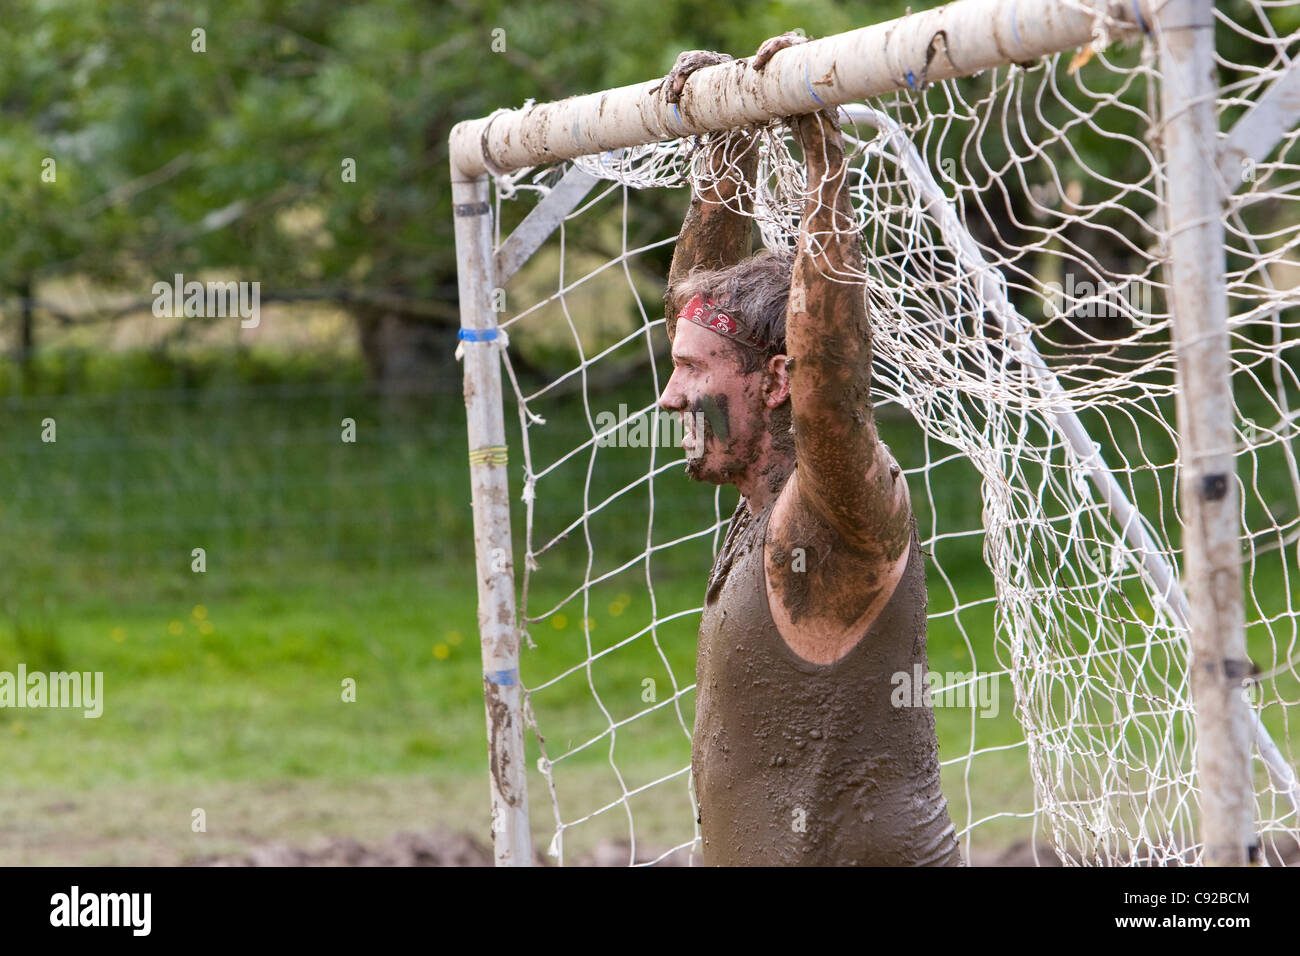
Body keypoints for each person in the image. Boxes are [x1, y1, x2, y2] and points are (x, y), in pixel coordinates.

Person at [656, 34, 964, 866]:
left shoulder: (836, 507)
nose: (670, 395)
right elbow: (698, 302)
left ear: (777, 381)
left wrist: (823, 153)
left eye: (691, 371)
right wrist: (725, 136)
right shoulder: (759, 500)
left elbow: (833, 388)